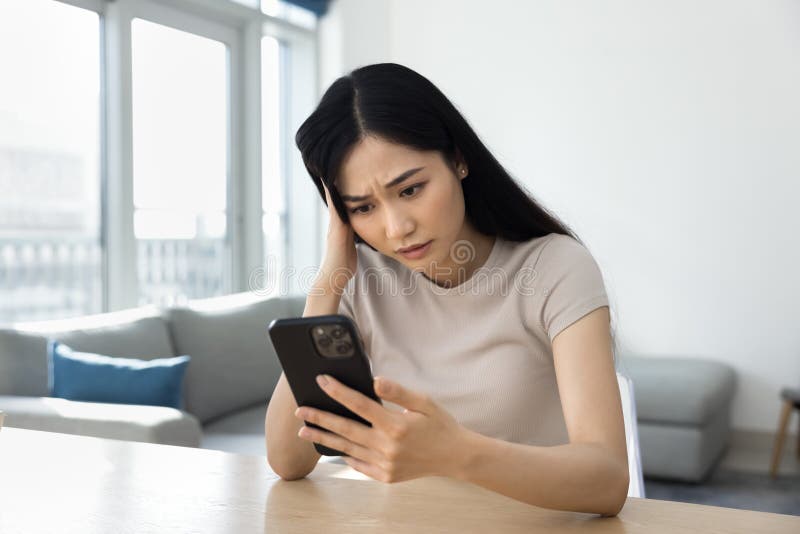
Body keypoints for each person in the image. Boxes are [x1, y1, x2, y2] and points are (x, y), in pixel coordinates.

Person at [265, 63, 629, 516]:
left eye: (411, 189)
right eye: (363, 208)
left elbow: (608, 478)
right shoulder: (362, 282)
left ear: (458, 159)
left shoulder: (554, 268)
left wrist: (456, 453)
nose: (398, 228)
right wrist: (328, 283)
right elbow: (288, 459)